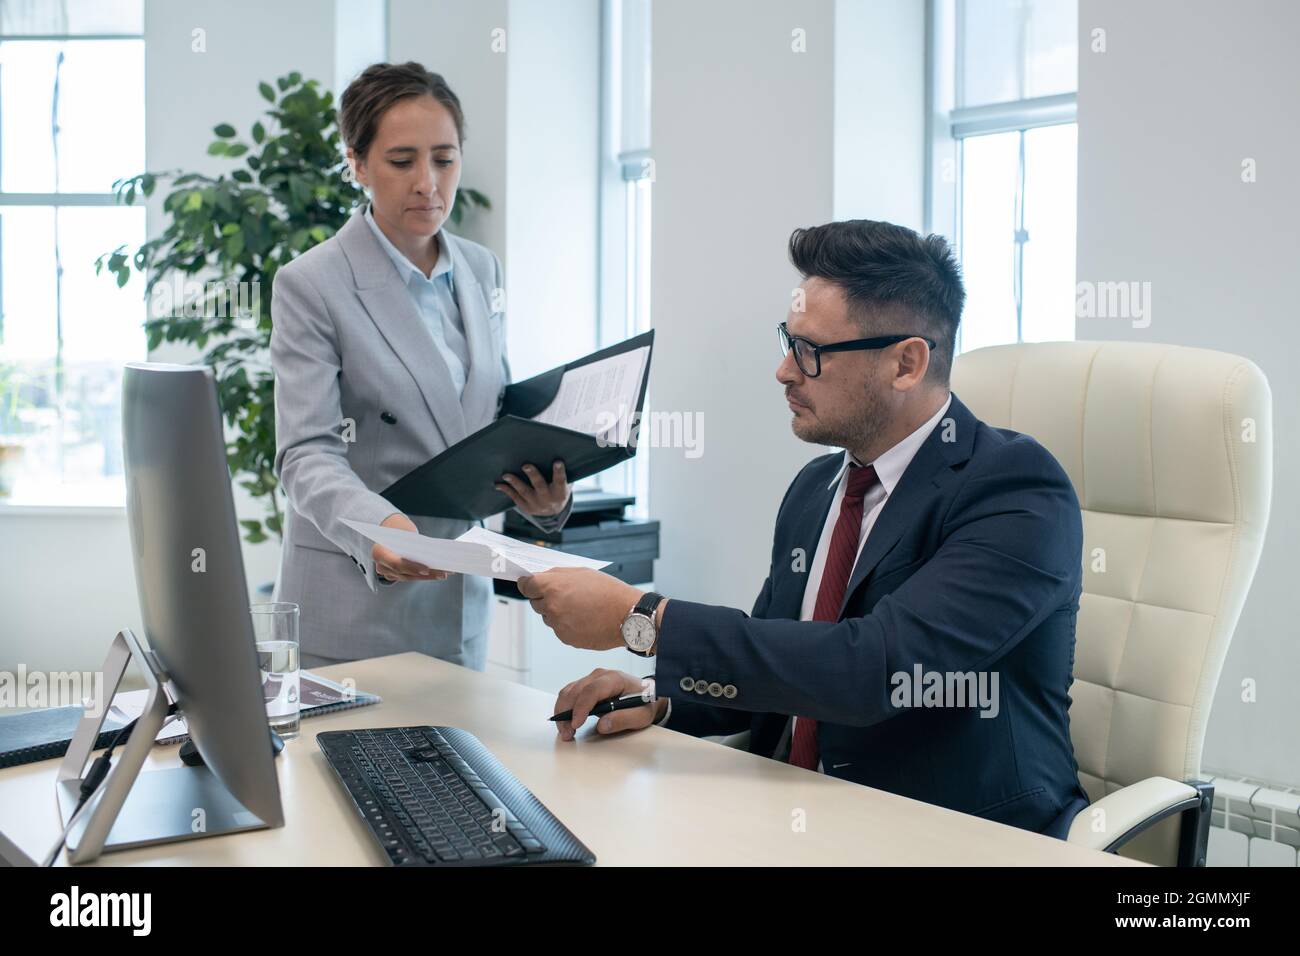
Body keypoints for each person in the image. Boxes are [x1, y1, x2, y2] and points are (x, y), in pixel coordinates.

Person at [518, 219, 1091, 838]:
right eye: (788, 342)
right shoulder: (816, 487)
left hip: (951, 836)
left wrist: (645, 618)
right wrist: (658, 697)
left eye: (811, 351)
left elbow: (877, 669)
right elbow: (785, 667)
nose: (784, 371)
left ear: (906, 363)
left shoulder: (1015, 489)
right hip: (793, 818)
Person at [271, 62, 571, 669]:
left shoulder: (481, 268)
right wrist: (378, 527)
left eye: (444, 159)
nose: (428, 184)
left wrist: (542, 498)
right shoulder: (312, 284)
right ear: (357, 164)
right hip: (354, 608)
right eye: (402, 161)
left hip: (460, 605)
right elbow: (304, 452)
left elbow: (483, 418)